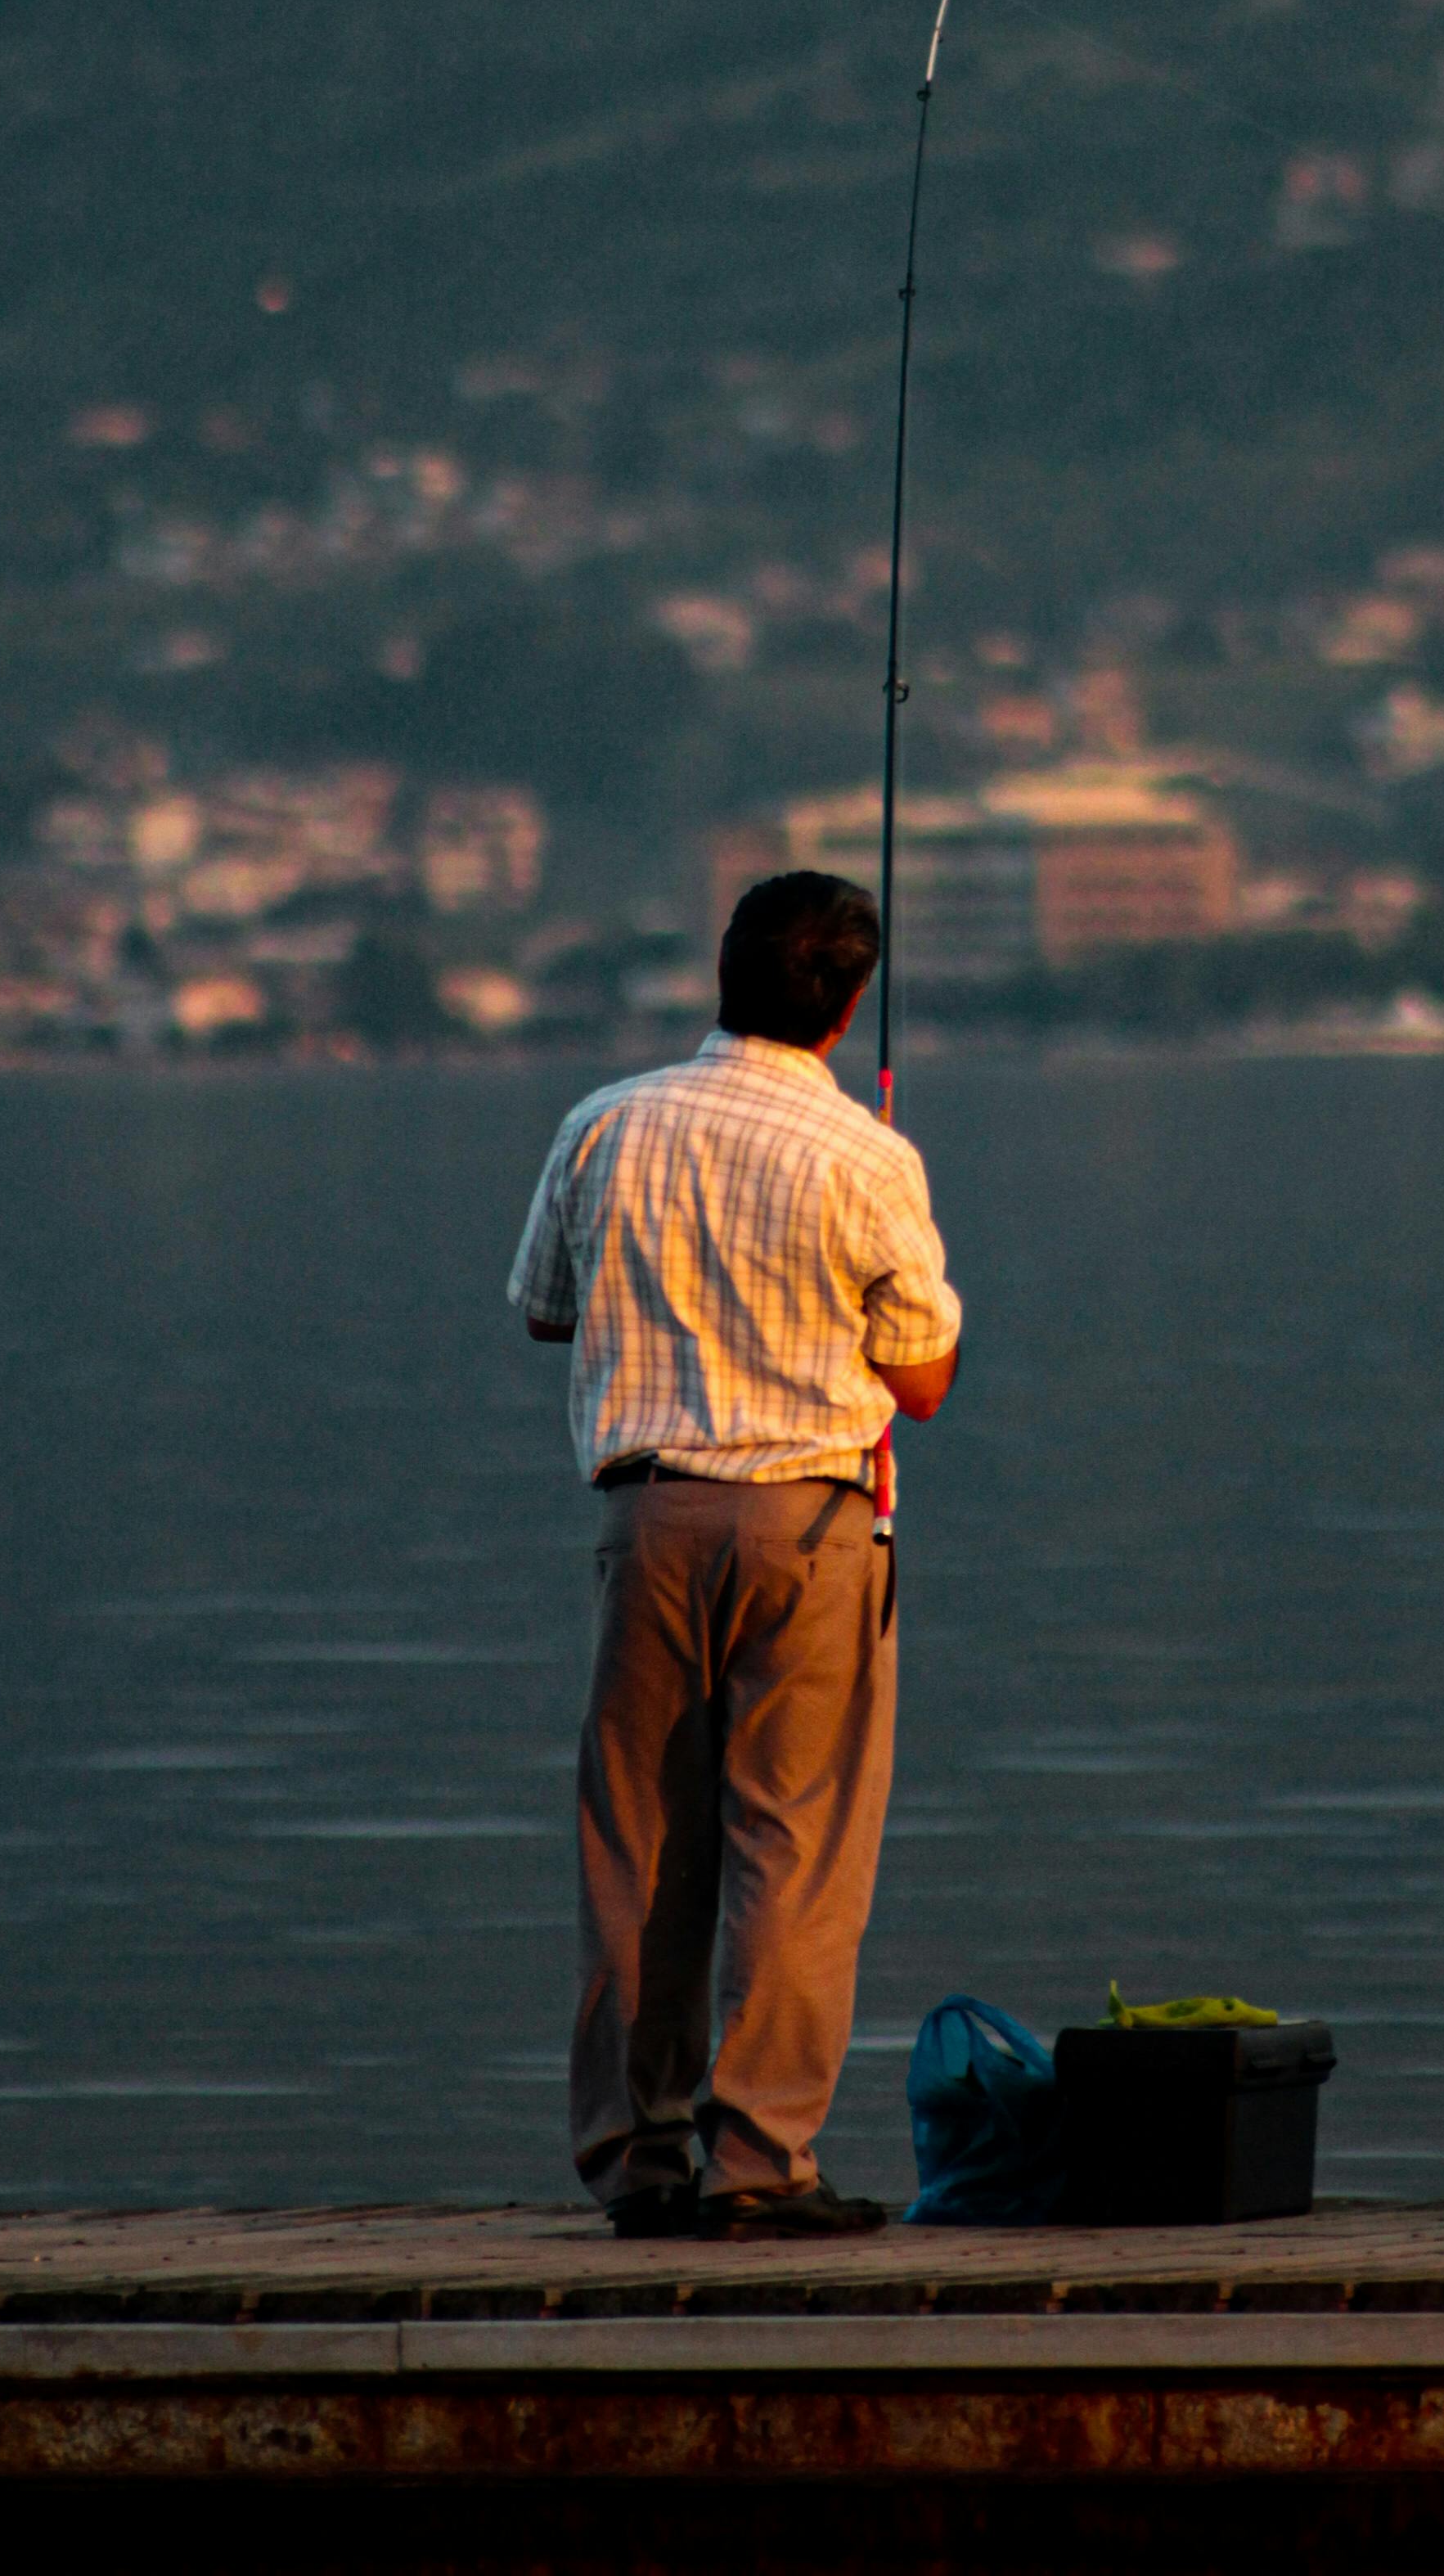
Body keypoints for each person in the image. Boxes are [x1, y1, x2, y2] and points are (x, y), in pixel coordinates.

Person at [508, 868, 961, 2240]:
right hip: (811, 1532)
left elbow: (546, 1310)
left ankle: (638, 2162)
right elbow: (922, 1382)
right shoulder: (867, 1158)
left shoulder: (603, 1122)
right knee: (796, 1851)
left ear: (724, 972)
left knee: (638, 1852)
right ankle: (760, 2166)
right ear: (848, 1006)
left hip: (647, 1523)